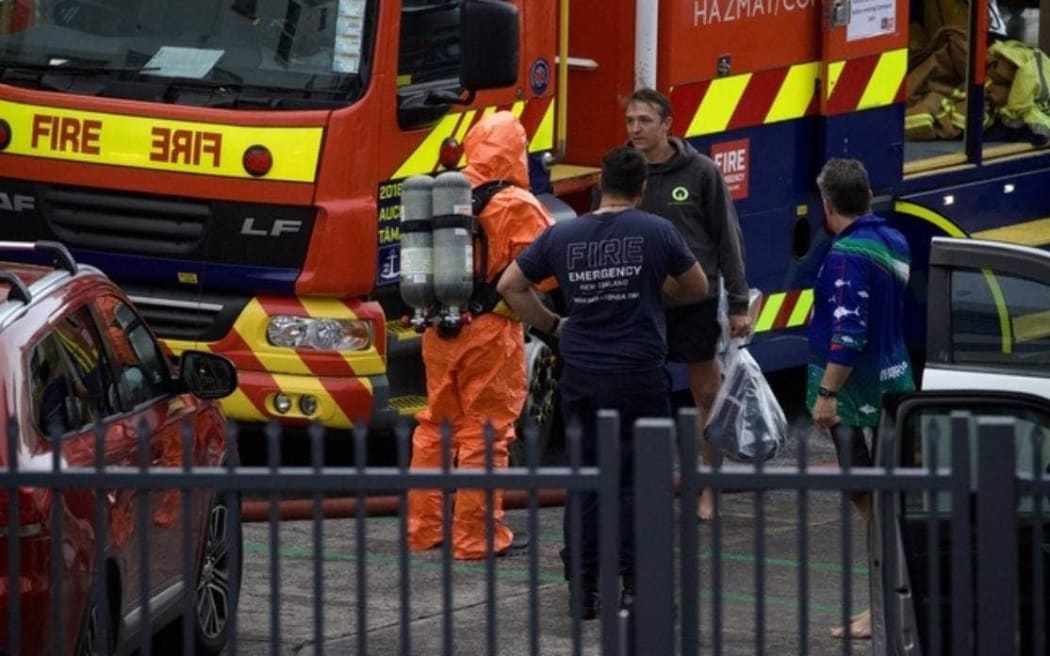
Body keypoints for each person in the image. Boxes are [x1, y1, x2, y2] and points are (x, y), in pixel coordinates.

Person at [497, 146, 708, 619]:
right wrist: (651, 285)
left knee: (586, 479)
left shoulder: (562, 235)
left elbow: (510, 285)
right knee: (639, 481)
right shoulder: (657, 231)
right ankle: (637, 587)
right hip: (638, 376)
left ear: (599, 185)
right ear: (642, 189)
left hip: (584, 375)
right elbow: (697, 286)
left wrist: (554, 325)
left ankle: (583, 591)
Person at [406, 111, 554, 561]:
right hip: (491, 332)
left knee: (434, 428)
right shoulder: (517, 203)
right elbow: (548, 272)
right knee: (485, 433)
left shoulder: (441, 194)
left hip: (437, 326)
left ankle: (423, 530)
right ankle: (475, 537)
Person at [625, 87, 752, 521]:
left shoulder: (702, 173)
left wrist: (738, 304)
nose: (636, 129)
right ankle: (647, 483)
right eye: (630, 121)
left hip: (697, 301)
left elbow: (728, 239)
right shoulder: (622, 170)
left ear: (667, 125)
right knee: (642, 396)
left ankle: (708, 487)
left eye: (645, 121)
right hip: (643, 303)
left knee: (706, 394)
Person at [808, 158, 915, 640]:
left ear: (827, 205)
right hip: (896, 380)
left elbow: (849, 333)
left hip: (855, 393)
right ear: (869, 195)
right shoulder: (893, 240)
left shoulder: (846, 254)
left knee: (870, 501)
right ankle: (890, 598)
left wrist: (827, 394)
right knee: (894, 497)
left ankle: (885, 602)